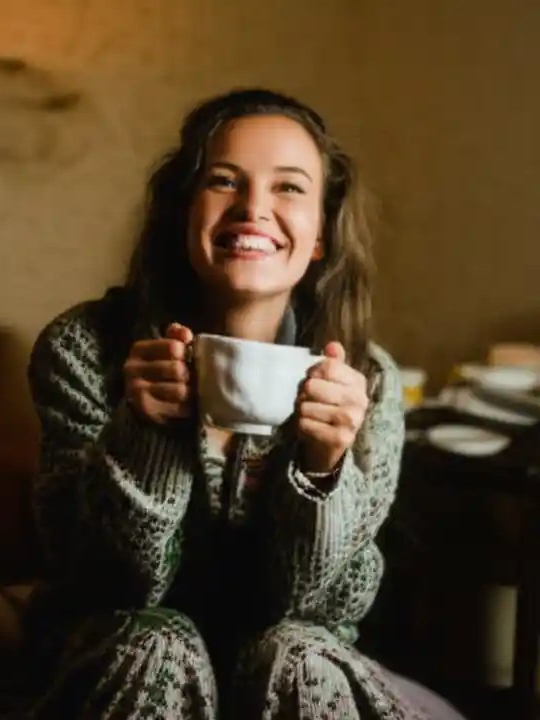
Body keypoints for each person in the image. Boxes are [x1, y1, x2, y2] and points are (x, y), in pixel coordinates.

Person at [23, 87, 423, 719]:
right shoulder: (84, 351)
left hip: (291, 658)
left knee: (300, 656)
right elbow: (98, 581)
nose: (253, 208)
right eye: (223, 181)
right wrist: (145, 436)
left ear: (319, 235)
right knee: (156, 642)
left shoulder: (367, 383)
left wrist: (323, 472)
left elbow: (322, 606)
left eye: (289, 188)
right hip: (118, 651)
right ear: (185, 212)